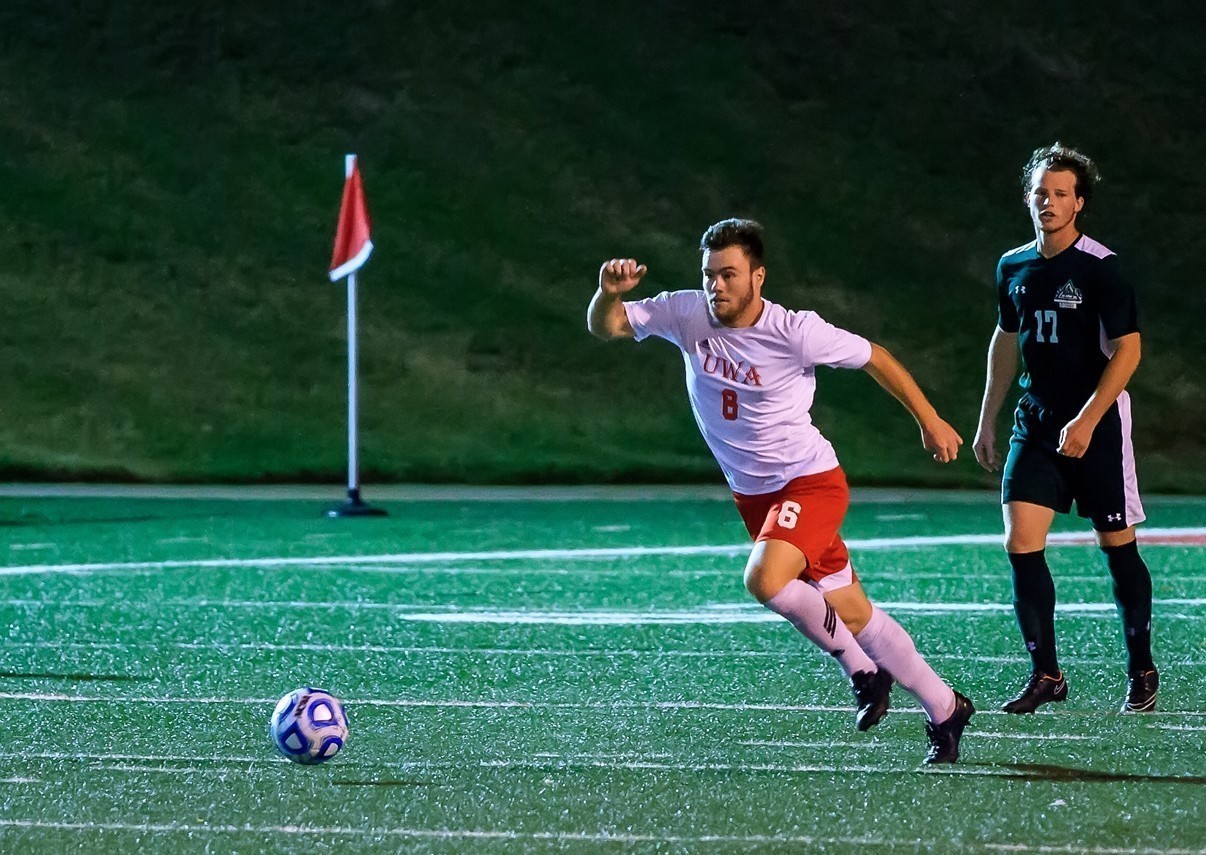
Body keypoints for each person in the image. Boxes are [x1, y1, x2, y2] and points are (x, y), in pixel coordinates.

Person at [588, 218, 975, 764]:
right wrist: (608, 295)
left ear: (758, 277)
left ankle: (862, 669)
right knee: (854, 612)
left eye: (728, 274)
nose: (716, 286)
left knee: (765, 580)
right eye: (709, 275)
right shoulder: (685, 312)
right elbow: (608, 327)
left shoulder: (795, 331)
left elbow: (876, 358)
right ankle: (945, 706)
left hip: (809, 483)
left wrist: (929, 420)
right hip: (755, 496)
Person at [973, 143, 1158, 714]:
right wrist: (988, 419)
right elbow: (1007, 339)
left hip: (1096, 425)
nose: (1048, 202)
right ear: (1028, 198)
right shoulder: (1013, 265)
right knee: (1021, 542)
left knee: (1117, 547)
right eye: (1041, 192)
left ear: (1079, 202)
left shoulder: (1101, 267)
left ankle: (1142, 665)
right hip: (1037, 421)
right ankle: (1047, 673)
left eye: (1060, 193)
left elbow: (1128, 350)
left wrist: (1088, 418)